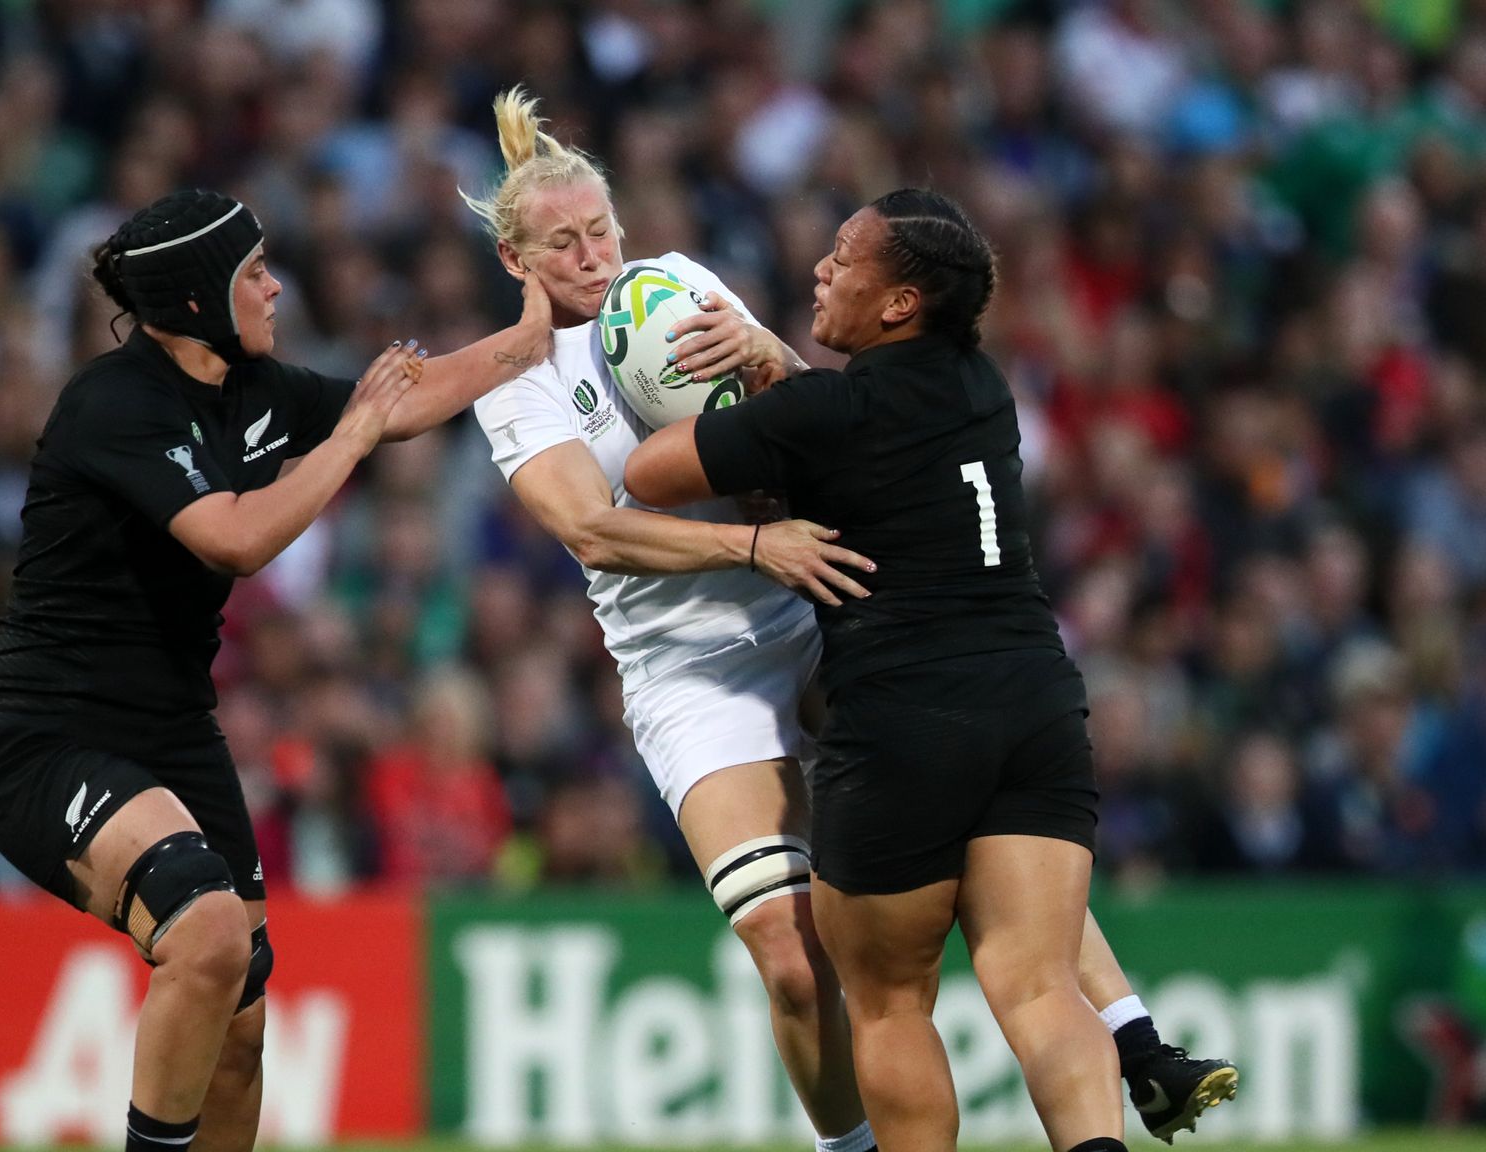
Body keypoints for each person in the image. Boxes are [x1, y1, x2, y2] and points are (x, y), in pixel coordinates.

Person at [466, 87, 1230, 1151]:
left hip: (812, 604)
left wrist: (762, 357)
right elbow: (593, 529)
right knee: (787, 949)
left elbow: (806, 391)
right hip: (687, 664)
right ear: (515, 261)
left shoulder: (677, 286)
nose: (592, 257)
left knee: (973, 804)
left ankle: (1135, 1038)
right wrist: (749, 541)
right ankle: (856, 1142)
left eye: (601, 231)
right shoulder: (509, 381)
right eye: (561, 243)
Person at [0, 188, 547, 1152]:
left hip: (173, 732)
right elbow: (233, 538)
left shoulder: (254, 388)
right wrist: (351, 437)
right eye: (255, 272)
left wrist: (536, 328)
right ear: (196, 300)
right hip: (48, 737)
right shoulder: (113, 403)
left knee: (241, 1026)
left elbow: (406, 400)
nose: (278, 286)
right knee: (207, 931)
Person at [627, 187, 1158, 1152]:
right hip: (1036, 702)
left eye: (843, 256)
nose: (821, 270)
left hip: (905, 719)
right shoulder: (982, 386)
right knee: (1040, 987)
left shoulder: (828, 409)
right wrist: (783, 376)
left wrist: (724, 376)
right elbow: (869, 448)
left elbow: (649, 474)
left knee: (889, 1005)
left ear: (900, 303)